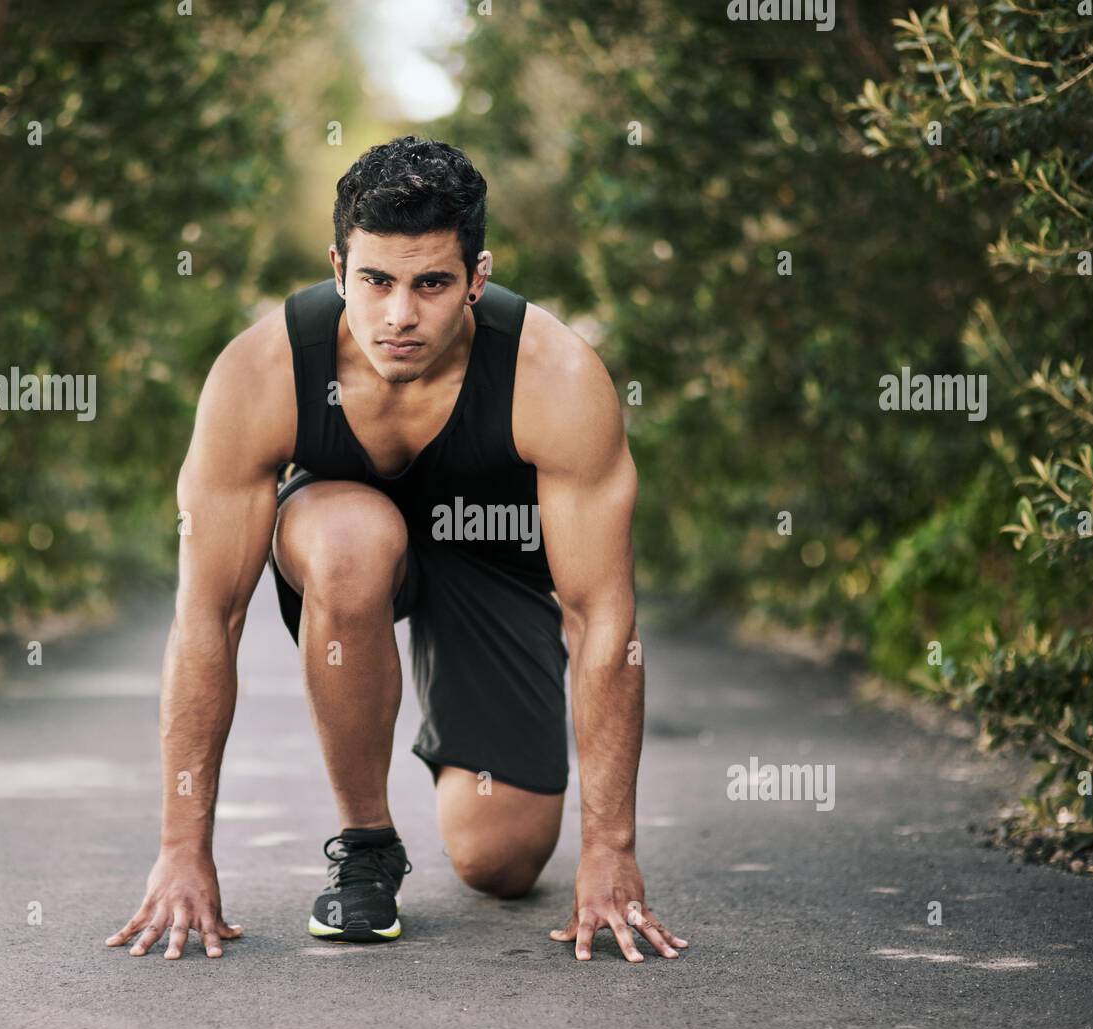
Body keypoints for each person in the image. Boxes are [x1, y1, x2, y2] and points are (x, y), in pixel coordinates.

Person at [106, 136, 686, 963]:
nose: (400, 314)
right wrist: (181, 848)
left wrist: (611, 848)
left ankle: (457, 723)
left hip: (492, 558)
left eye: (432, 284)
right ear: (338, 267)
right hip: (347, 536)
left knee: (503, 860)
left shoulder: (551, 375)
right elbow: (208, 615)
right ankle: (366, 846)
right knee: (352, 543)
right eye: (375, 281)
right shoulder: (262, 373)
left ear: (477, 279)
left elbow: (601, 620)